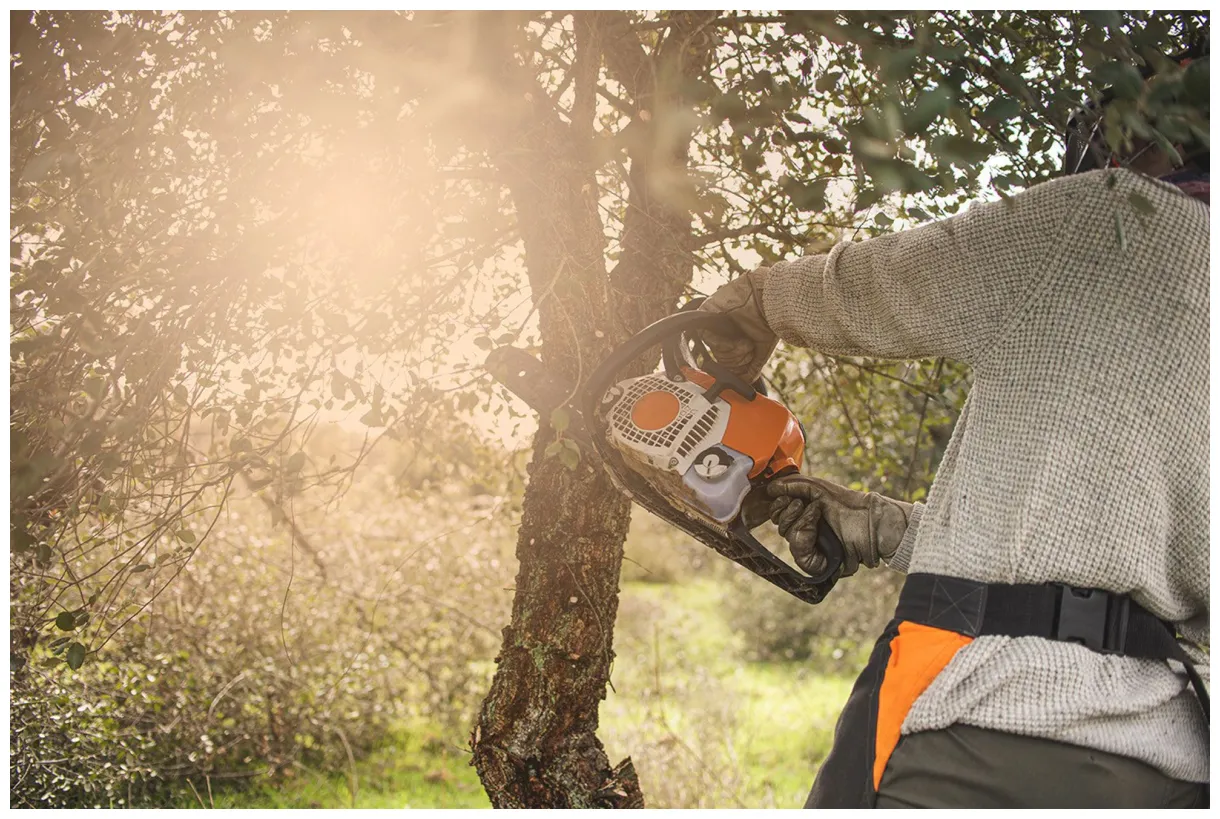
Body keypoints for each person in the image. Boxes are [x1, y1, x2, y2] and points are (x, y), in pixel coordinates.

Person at [700, 49, 1210, 809]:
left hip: (980, 730)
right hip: (1169, 769)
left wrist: (758, 300)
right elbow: (1110, 564)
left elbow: (887, 285)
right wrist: (891, 530)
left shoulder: (1104, 214)